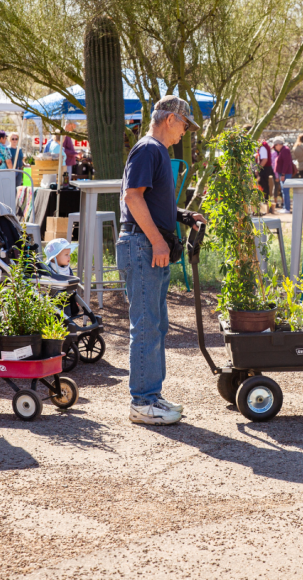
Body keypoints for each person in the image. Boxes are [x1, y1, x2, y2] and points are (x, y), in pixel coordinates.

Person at [117, 96, 206, 426]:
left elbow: (147, 200)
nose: (186, 131)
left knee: (154, 324)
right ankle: (142, 401)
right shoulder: (149, 148)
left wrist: (181, 216)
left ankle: (150, 395)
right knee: (146, 324)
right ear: (170, 119)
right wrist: (157, 240)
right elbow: (132, 197)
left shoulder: (155, 150)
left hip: (145, 245)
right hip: (143, 245)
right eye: (185, 124)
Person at [272, 137, 294, 213]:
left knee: (285, 190)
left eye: (275, 146)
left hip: (286, 173)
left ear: (278, 144)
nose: (275, 148)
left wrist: (283, 174)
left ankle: (287, 208)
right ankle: (285, 207)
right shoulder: (282, 150)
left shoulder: (285, 150)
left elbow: (286, 163)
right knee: (284, 190)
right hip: (283, 173)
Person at [255, 138, 274, 204]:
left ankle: (265, 200)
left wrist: (258, 169)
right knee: (263, 184)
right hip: (264, 167)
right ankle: (264, 199)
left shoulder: (262, 147)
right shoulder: (261, 146)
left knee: (263, 184)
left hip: (264, 168)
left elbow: (264, 160)